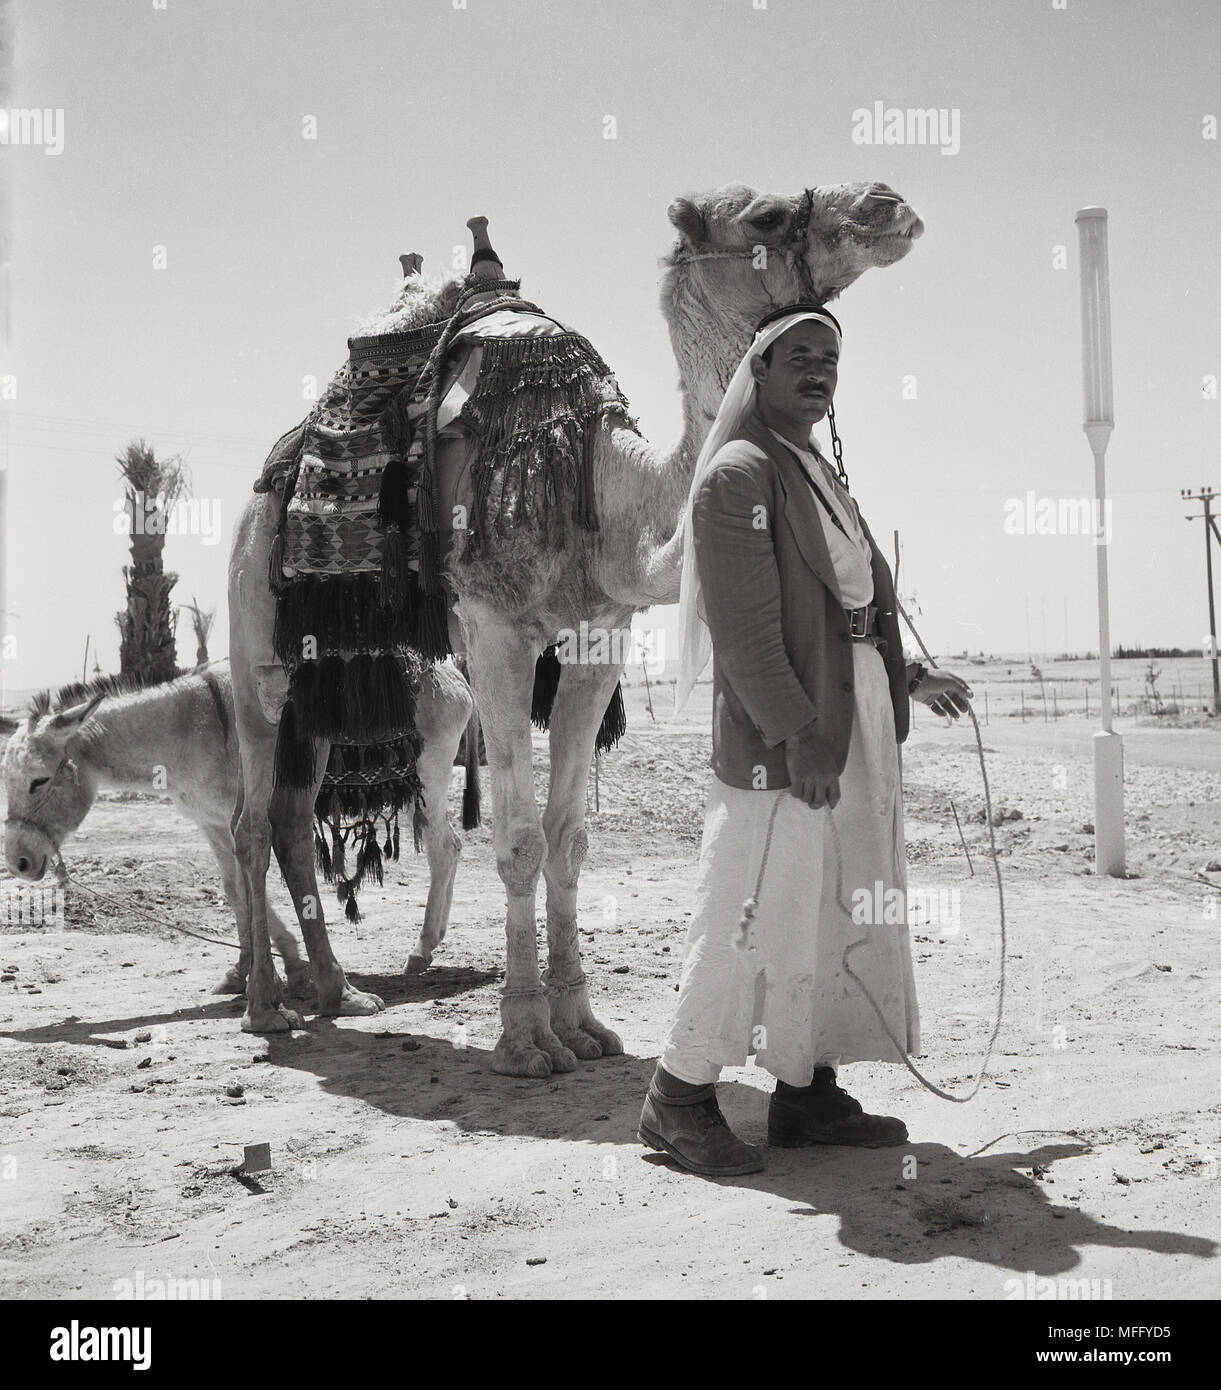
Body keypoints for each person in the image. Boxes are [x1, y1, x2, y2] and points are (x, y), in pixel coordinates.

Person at [638, 303, 973, 1176]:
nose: (819, 369)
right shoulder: (739, 475)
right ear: (759, 369)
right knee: (748, 903)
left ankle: (803, 1091)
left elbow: (837, 612)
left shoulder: (812, 470)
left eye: (830, 356)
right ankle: (675, 1098)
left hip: (848, 721)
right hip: (783, 738)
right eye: (800, 355)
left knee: (832, 904)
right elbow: (747, 631)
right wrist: (799, 734)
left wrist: (902, 680)